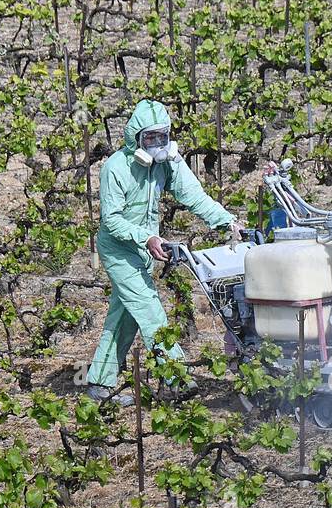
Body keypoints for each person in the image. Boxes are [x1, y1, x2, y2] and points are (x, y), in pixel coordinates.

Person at [85, 99, 241, 403]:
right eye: (150, 138)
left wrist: (227, 221)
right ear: (136, 138)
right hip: (118, 248)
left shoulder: (168, 163)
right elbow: (111, 220)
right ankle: (176, 378)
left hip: (145, 247)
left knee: (125, 315)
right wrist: (146, 238)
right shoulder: (116, 168)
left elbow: (194, 195)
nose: (158, 144)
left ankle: (99, 384)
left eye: (162, 136)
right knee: (150, 309)